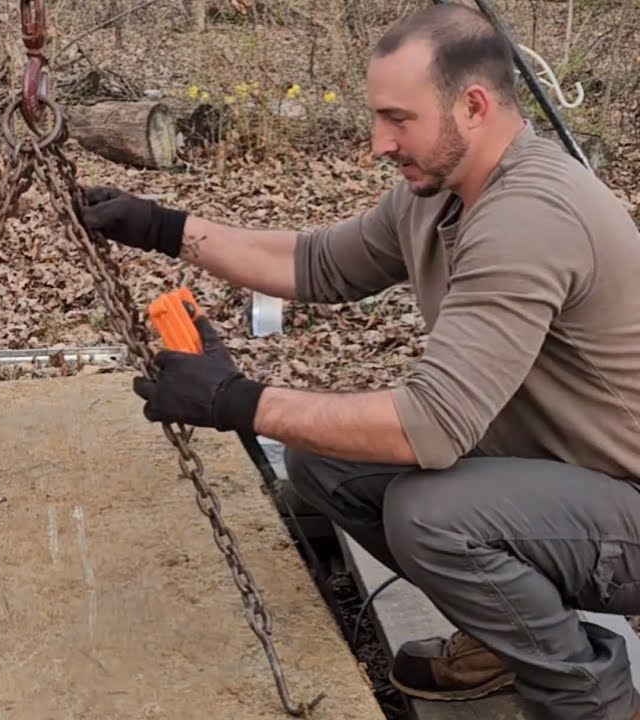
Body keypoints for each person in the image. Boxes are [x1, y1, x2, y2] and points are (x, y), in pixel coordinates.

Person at [78, 4, 640, 719]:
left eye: (397, 118)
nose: (379, 142)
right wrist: (165, 229)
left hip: (626, 501)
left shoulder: (530, 215)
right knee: (324, 464)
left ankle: (591, 700)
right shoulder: (441, 193)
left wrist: (235, 400)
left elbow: (427, 428)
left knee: (432, 515)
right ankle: (509, 639)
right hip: (566, 475)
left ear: (472, 106)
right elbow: (317, 264)